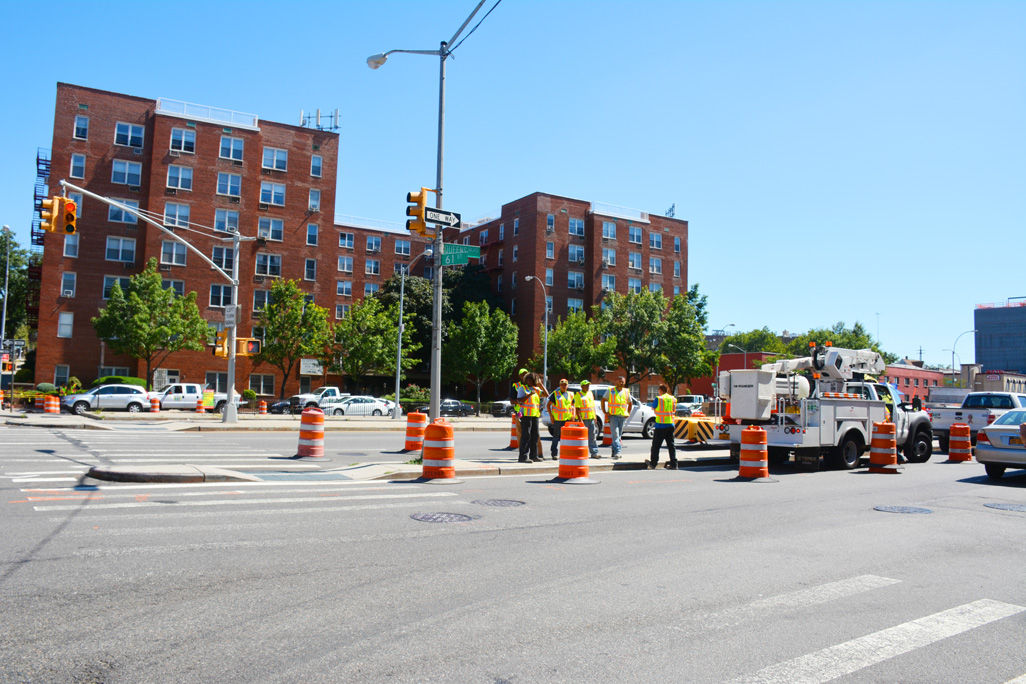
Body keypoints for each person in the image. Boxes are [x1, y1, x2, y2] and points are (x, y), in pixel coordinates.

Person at [517, 372, 545, 463]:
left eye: (531, 380)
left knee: (535, 435)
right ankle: (523, 457)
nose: (529, 381)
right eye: (528, 379)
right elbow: (519, 400)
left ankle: (534, 456)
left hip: (535, 415)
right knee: (526, 436)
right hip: (526, 415)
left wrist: (541, 385)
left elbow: (547, 394)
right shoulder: (523, 388)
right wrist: (529, 394)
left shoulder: (536, 389)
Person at [601, 376, 631, 459]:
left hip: (622, 416)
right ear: (616, 381)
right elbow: (603, 400)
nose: (621, 383)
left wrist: (628, 412)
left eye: (622, 382)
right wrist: (605, 411)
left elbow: (630, 402)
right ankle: (618, 452)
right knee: (615, 435)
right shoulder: (611, 390)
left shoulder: (626, 391)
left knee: (618, 435)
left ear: (624, 383)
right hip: (613, 416)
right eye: (619, 381)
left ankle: (614, 452)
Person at [649, 383, 678, 469]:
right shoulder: (673, 399)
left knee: (656, 446)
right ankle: (674, 464)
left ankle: (653, 464)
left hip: (660, 425)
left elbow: (653, 408)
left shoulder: (659, 398)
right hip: (670, 425)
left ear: (661, 390)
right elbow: (674, 410)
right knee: (671, 445)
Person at [546, 378, 574, 460]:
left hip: (567, 419)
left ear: (567, 386)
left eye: (565, 385)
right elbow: (548, 405)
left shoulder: (571, 394)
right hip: (558, 419)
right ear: (559, 386)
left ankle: (565, 453)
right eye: (562, 385)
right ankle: (554, 454)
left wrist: (573, 415)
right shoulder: (555, 394)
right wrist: (551, 416)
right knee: (556, 437)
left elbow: (573, 405)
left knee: (567, 438)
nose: (563, 386)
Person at [574, 379, 601, 458]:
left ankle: (594, 452)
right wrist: (580, 420)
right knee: (582, 437)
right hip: (583, 419)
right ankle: (581, 452)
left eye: (588, 385)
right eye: (586, 385)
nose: (588, 386)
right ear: (582, 386)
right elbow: (577, 408)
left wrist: (595, 416)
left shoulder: (590, 393)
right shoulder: (578, 395)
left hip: (591, 418)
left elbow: (592, 406)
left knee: (592, 436)